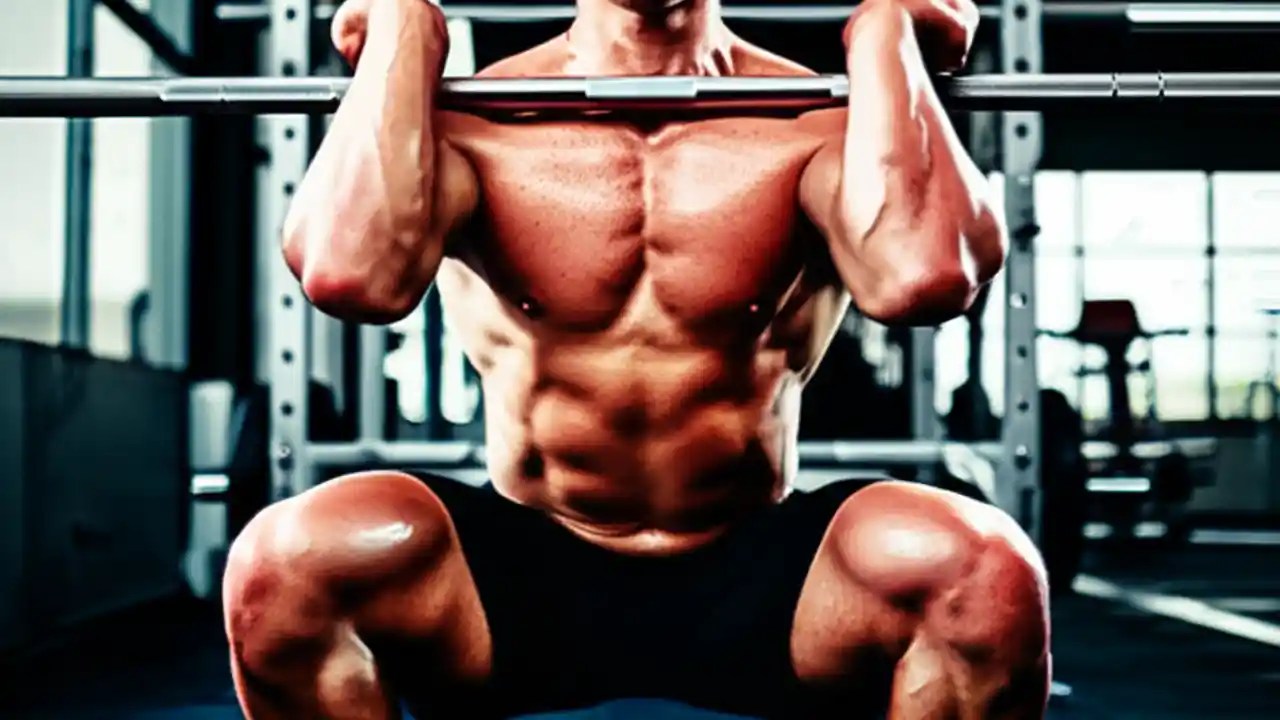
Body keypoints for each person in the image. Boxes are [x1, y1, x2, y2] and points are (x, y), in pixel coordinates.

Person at [223, 0, 1049, 717]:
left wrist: (886, 32)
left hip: (762, 572)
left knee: (987, 570)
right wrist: (406, 27)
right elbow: (349, 275)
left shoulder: (812, 122)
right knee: (284, 563)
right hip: (518, 570)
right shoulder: (474, 124)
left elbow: (924, 279)